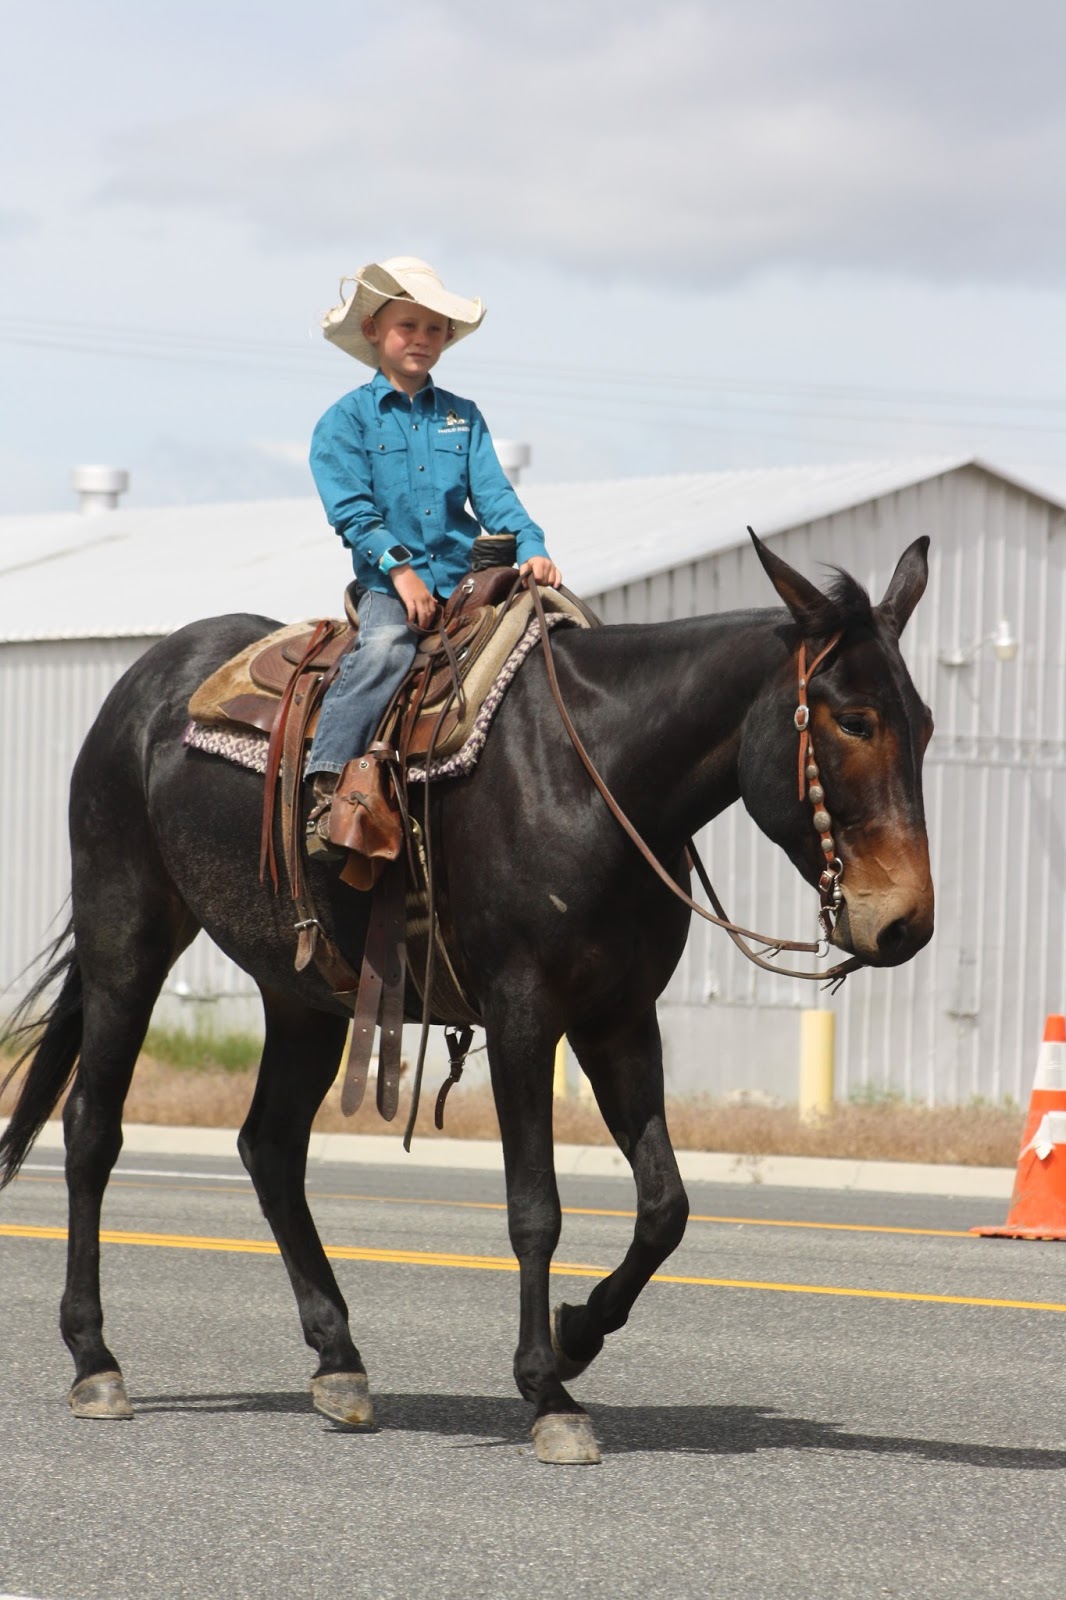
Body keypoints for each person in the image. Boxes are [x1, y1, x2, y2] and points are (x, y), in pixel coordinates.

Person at [305, 257, 562, 835]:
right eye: (408, 326)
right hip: (389, 585)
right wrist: (402, 573)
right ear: (373, 330)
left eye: (434, 328)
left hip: (465, 578)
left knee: (544, 640)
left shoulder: (462, 418)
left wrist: (532, 545)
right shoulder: (345, 421)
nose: (422, 338)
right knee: (385, 650)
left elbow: (494, 497)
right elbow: (352, 512)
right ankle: (325, 783)